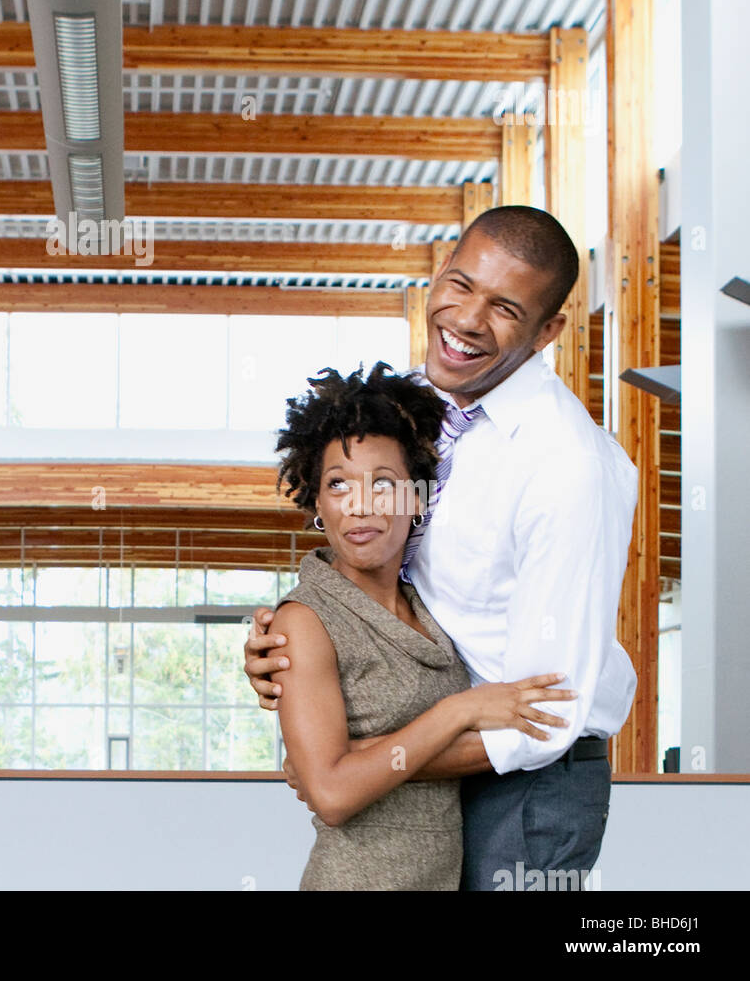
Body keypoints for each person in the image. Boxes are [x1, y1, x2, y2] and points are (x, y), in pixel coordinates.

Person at [245, 206, 638, 891]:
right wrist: (297, 656)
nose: (465, 320)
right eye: (459, 285)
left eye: (505, 308)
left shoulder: (569, 466)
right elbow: (371, 555)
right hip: (439, 761)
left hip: (529, 782)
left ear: (548, 332)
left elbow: (544, 715)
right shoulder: (415, 404)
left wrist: (348, 759)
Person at [269, 361, 574, 890]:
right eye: (338, 484)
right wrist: (459, 711)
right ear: (318, 502)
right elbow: (333, 796)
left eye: (383, 484)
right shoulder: (304, 621)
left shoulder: (432, 606)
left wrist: (357, 754)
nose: (361, 504)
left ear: (417, 498)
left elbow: (337, 767)